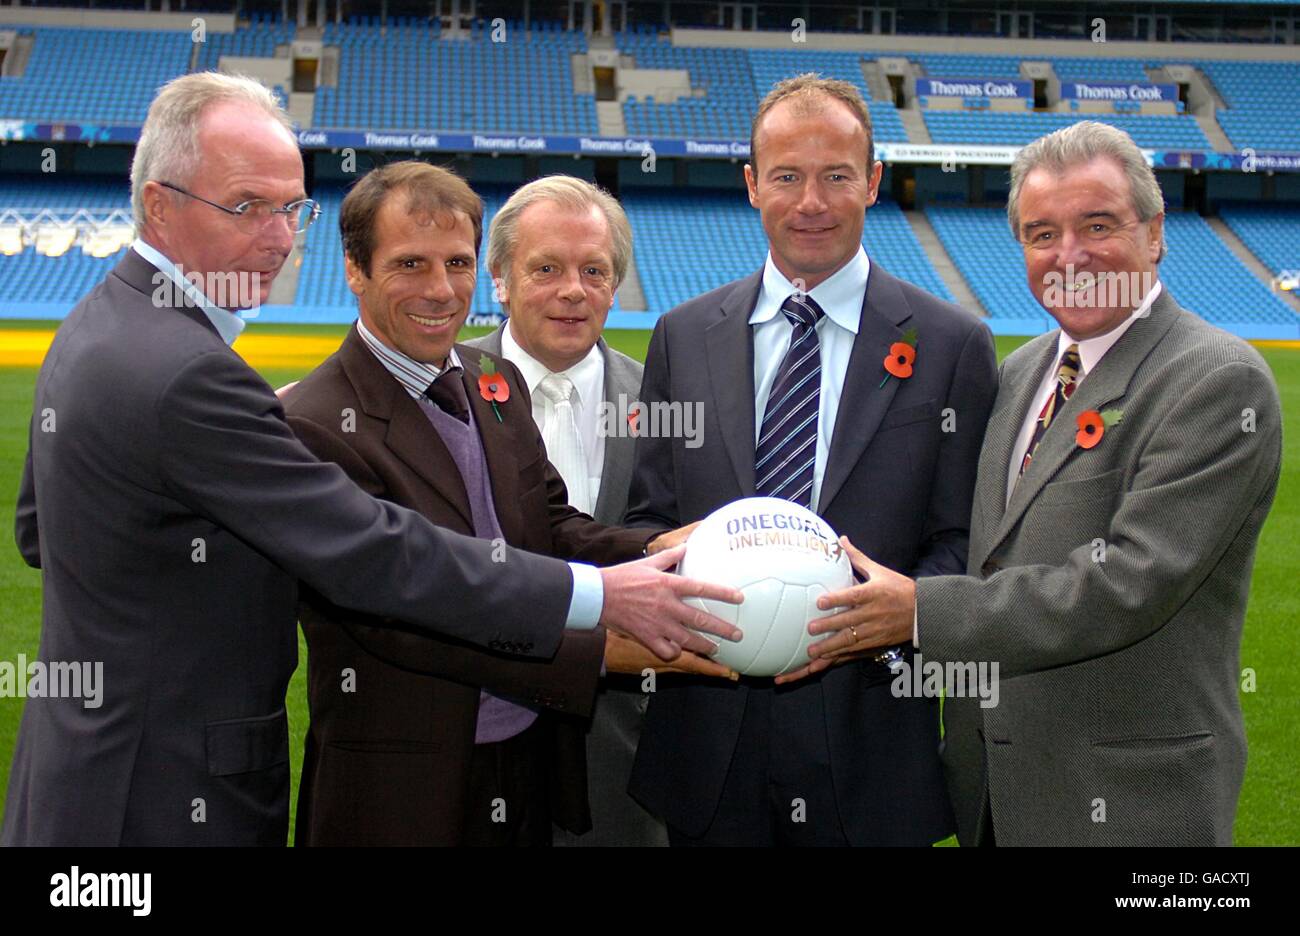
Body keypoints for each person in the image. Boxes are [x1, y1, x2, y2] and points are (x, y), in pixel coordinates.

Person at [4, 72, 740, 847]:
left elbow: (39, 530)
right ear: (160, 204)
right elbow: (374, 558)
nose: (280, 237)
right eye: (247, 206)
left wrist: (658, 549)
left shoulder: (99, 327)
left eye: (292, 209)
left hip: (107, 769)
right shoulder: (195, 375)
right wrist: (596, 599)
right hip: (160, 790)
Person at [794, 121, 1283, 846]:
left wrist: (919, 611)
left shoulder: (1216, 379)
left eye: (1098, 225)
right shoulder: (1023, 372)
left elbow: (1127, 586)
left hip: (1126, 802)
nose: (1071, 256)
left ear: (1155, 234)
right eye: (1041, 233)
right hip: (993, 793)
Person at [285, 163, 727, 846]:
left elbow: (549, 523)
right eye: (410, 263)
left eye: (457, 262)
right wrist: (605, 643)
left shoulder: (492, 380)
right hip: (402, 792)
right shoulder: (315, 420)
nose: (440, 289)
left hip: (522, 767)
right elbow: (401, 612)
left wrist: (660, 550)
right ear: (355, 270)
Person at [624, 73, 999, 846]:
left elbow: (965, 540)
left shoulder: (952, 344)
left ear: (872, 182)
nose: (812, 203)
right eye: (788, 177)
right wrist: (667, 554)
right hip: (707, 742)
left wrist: (890, 614)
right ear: (753, 185)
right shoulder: (681, 336)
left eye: (836, 176)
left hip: (871, 748)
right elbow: (647, 520)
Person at [465, 175, 668, 846]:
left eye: (594, 271)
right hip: (471, 748)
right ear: (500, 276)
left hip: (622, 761)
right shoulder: (438, 394)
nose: (573, 290)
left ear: (616, 285)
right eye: (546, 268)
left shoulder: (671, 408)